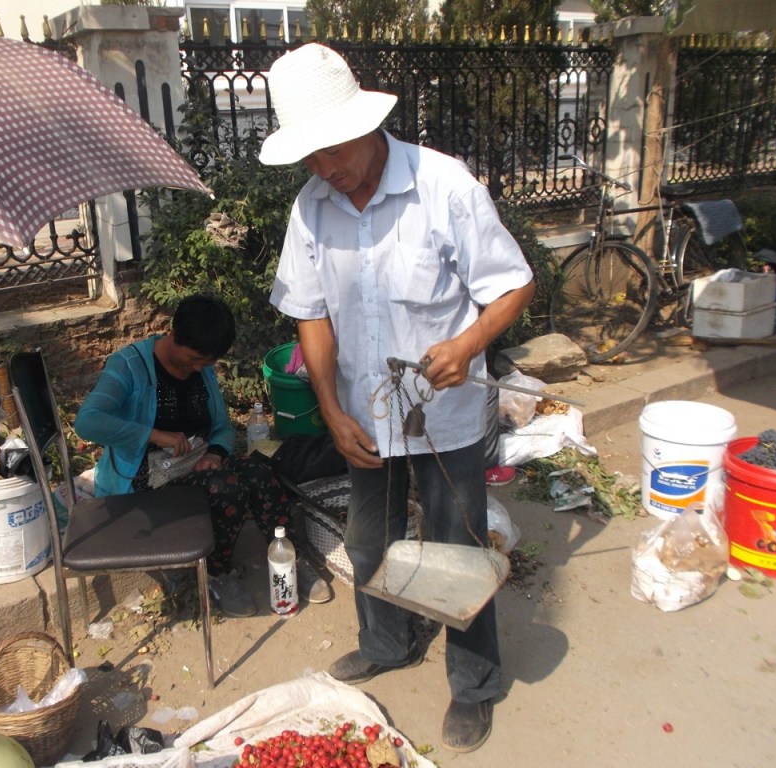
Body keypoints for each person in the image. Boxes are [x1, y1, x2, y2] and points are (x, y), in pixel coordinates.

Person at [261, 44, 535, 753]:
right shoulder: (311, 208)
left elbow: (513, 286)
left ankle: (475, 685)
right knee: (367, 540)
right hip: (364, 416)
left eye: (334, 150)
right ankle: (387, 641)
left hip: (445, 414)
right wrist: (328, 405)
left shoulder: (444, 186)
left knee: (458, 548)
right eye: (310, 158)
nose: (326, 169)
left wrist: (467, 345)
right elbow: (310, 314)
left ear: (366, 122)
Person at [74, 294, 332, 617]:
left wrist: (215, 452)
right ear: (172, 334)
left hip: (195, 466)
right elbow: (87, 421)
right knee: (225, 488)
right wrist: (153, 434)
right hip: (145, 479)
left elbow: (222, 426)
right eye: (193, 359)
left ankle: (292, 560)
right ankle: (217, 574)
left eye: (205, 362)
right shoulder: (129, 366)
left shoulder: (204, 372)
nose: (197, 368)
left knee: (260, 471)